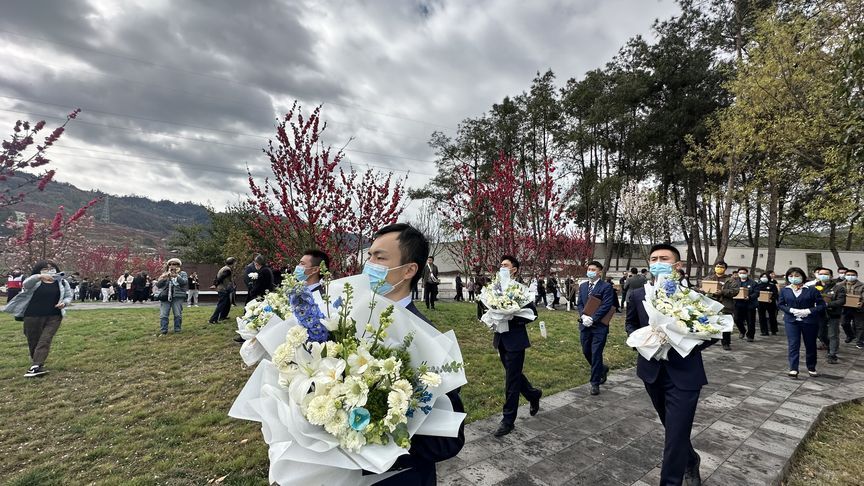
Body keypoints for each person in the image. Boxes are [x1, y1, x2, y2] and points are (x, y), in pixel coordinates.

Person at [362, 223, 465, 485]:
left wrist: (378, 436)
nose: (370, 264)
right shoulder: (348, 321)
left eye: (380, 258)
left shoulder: (429, 340)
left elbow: (446, 440)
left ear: (409, 270)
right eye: (369, 256)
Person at [625, 244, 714, 486]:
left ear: (677, 265)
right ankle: (691, 459)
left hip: (684, 374)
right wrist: (643, 341)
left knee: (675, 435)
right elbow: (631, 325)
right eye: (653, 259)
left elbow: (712, 332)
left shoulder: (692, 296)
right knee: (673, 428)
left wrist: (683, 343)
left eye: (663, 258)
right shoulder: (638, 295)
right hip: (651, 372)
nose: (657, 263)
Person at [492, 255, 543, 438]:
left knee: (511, 381)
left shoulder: (520, 290)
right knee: (514, 375)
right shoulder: (495, 288)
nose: (502, 268)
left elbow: (532, 314)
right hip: (501, 339)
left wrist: (512, 316)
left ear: (514, 269)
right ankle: (533, 394)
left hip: (515, 340)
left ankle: (508, 420)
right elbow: (486, 307)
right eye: (501, 265)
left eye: (505, 265)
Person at [4, 260, 73, 377]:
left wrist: (64, 303)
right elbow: (26, 284)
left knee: (45, 340)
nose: (49, 271)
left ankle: (36, 365)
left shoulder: (62, 282)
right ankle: (37, 364)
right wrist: (39, 277)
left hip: (54, 316)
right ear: (39, 270)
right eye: (45, 269)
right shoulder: (34, 281)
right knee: (33, 340)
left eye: (52, 269)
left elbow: (68, 296)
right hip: (32, 315)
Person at [778, 267, 826, 377]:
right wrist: (790, 310)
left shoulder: (812, 290)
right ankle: (793, 368)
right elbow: (780, 304)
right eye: (791, 276)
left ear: (802, 277)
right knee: (793, 344)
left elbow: (821, 305)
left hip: (809, 321)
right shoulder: (785, 290)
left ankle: (811, 367)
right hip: (791, 320)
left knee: (810, 344)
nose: (794, 278)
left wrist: (808, 311)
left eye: (797, 276)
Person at [576, 261, 615, 396]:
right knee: (586, 351)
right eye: (589, 269)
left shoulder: (606, 287)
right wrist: (583, 316)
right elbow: (580, 304)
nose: (590, 271)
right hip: (585, 325)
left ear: (599, 272)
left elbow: (606, 305)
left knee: (596, 353)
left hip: (599, 327)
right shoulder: (583, 286)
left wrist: (593, 318)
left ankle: (595, 383)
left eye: (593, 269)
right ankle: (602, 369)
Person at [722, 267, 758, 342]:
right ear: (738, 274)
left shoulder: (753, 283)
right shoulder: (735, 282)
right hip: (738, 304)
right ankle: (742, 330)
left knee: (750, 321)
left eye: (744, 273)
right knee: (737, 319)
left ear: (747, 273)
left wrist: (749, 297)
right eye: (740, 273)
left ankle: (750, 336)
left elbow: (756, 293)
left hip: (750, 305)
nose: (742, 274)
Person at [703, 261, 734, 350]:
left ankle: (726, 343)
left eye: (722, 267)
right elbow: (701, 287)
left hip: (725, 305)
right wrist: (704, 290)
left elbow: (735, 291)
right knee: (710, 323)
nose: (719, 268)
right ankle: (709, 340)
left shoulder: (730, 280)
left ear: (725, 269)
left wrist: (722, 292)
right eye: (717, 266)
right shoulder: (709, 278)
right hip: (711, 304)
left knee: (725, 324)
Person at [155, 258, 188, 336]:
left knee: (177, 314)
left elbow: (184, 282)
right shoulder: (165, 273)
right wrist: (164, 279)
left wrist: (177, 276)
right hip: (165, 296)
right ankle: (163, 331)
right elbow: (158, 285)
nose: (171, 266)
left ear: (178, 265)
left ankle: (177, 330)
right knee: (163, 314)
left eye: (174, 264)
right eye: (170, 264)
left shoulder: (182, 273)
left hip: (177, 296)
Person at [840, 269, 864, 348]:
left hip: (858, 308)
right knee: (844, 323)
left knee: (859, 326)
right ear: (845, 276)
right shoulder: (839, 285)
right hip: (845, 308)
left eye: (853, 275)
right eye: (848, 275)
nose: (850, 276)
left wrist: (862, 302)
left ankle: (860, 341)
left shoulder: (862, 285)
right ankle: (850, 335)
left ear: (856, 276)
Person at [813, 268, 836, 350]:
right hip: (818, 312)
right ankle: (827, 344)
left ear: (831, 276)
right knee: (820, 333)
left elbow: (841, 300)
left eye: (826, 274)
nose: (823, 276)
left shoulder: (837, 286)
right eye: (821, 274)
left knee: (833, 334)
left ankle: (832, 351)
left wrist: (828, 303)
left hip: (833, 312)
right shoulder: (813, 286)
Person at [208, 257, 236, 324]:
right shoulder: (227, 270)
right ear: (233, 263)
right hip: (223, 289)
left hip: (222, 289)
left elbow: (217, 277)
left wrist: (214, 284)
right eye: (235, 263)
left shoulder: (223, 268)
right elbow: (221, 278)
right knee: (221, 304)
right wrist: (215, 284)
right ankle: (213, 319)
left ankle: (222, 316)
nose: (235, 264)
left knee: (226, 303)